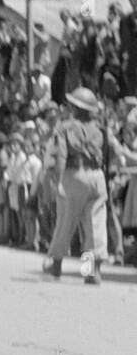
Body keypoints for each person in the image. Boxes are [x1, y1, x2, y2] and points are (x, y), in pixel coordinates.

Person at [42, 87, 108, 283]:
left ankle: (56, 267)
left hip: (74, 176)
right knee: (94, 226)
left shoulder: (65, 127)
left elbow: (61, 155)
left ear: (75, 107)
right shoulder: (100, 129)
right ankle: (90, 271)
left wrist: (58, 181)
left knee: (66, 221)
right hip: (97, 176)